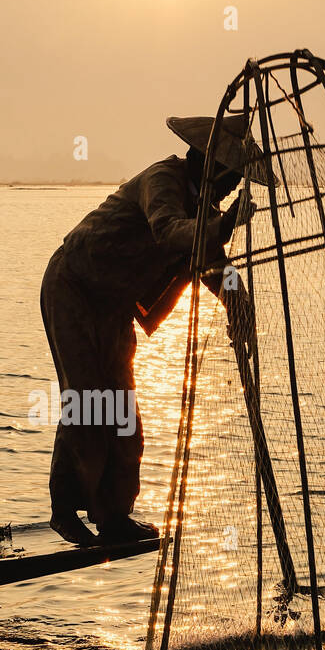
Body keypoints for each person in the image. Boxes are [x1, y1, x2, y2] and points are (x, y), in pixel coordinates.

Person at [40, 112, 266, 547]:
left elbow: (216, 268)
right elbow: (169, 230)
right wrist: (220, 226)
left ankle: (113, 516)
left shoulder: (204, 212)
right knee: (87, 399)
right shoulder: (163, 180)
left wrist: (242, 309)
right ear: (207, 164)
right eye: (230, 176)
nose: (231, 186)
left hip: (113, 305)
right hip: (73, 286)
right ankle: (64, 511)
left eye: (236, 180)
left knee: (122, 412)